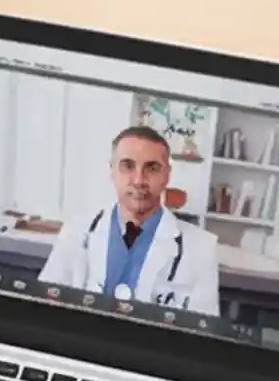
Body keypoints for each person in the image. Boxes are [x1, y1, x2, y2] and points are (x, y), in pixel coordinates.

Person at [39, 125, 221, 316]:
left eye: (152, 168)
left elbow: (202, 332)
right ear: (112, 171)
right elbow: (45, 308)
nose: (139, 180)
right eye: (128, 165)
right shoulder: (76, 232)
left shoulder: (201, 249)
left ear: (167, 175)